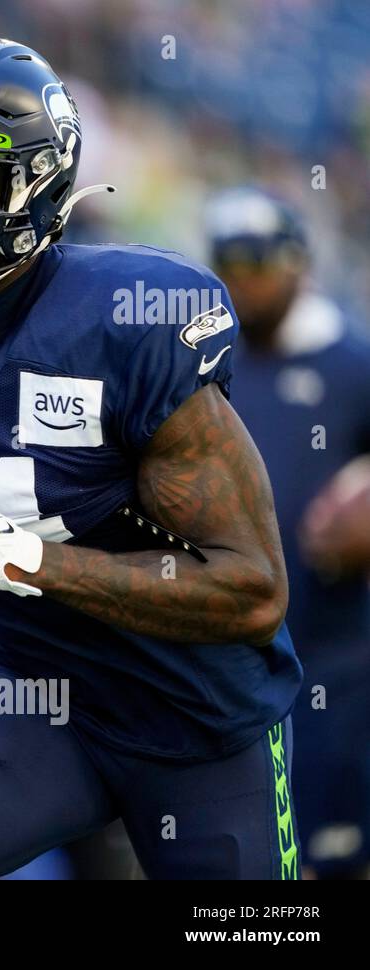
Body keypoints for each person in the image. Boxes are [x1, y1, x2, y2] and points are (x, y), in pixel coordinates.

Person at [0, 37, 300, 879]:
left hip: (197, 718)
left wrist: (32, 561)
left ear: (33, 193)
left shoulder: (128, 322)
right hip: (28, 697)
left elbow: (251, 590)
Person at [208, 187, 370, 878]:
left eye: (257, 263)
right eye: (228, 265)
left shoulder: (350, 362)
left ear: (297, 263)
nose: (243, 282)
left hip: (335, 655)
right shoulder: (208, 360)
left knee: (330, 855)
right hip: (231, 659)